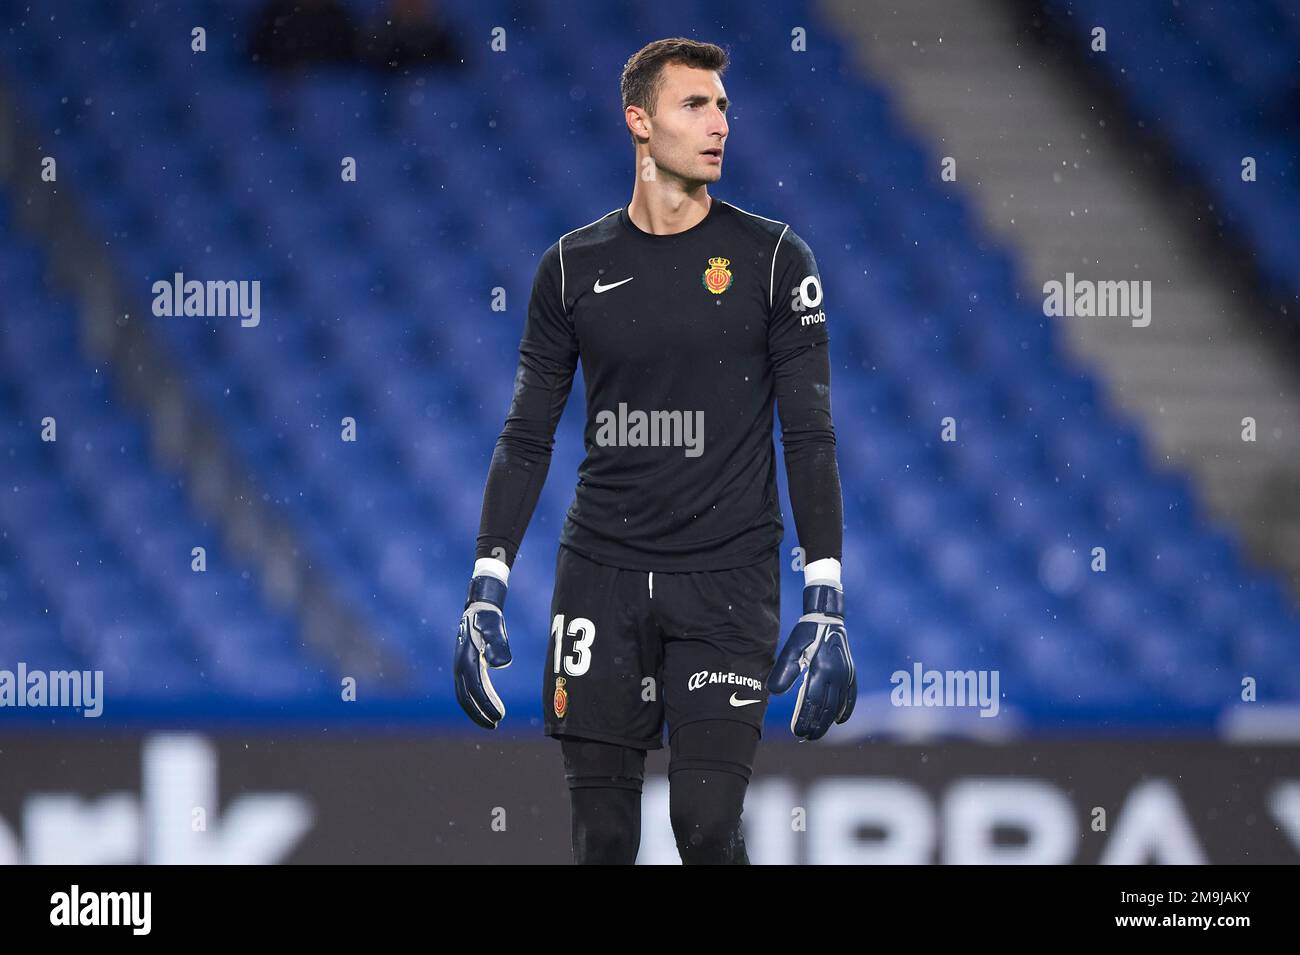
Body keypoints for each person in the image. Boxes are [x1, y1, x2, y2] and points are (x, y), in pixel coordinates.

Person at [455, 37, 854, 865]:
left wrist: (825, 593)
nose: (719, 125)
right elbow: (527, 431)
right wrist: (487, 585)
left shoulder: (776, 261)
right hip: (599, 572)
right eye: (695, 105)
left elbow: (809, 431)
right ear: (638, 121)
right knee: (602, 839)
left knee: (705, 827)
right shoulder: (570, 267)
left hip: (727, 583)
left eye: (723, 107)